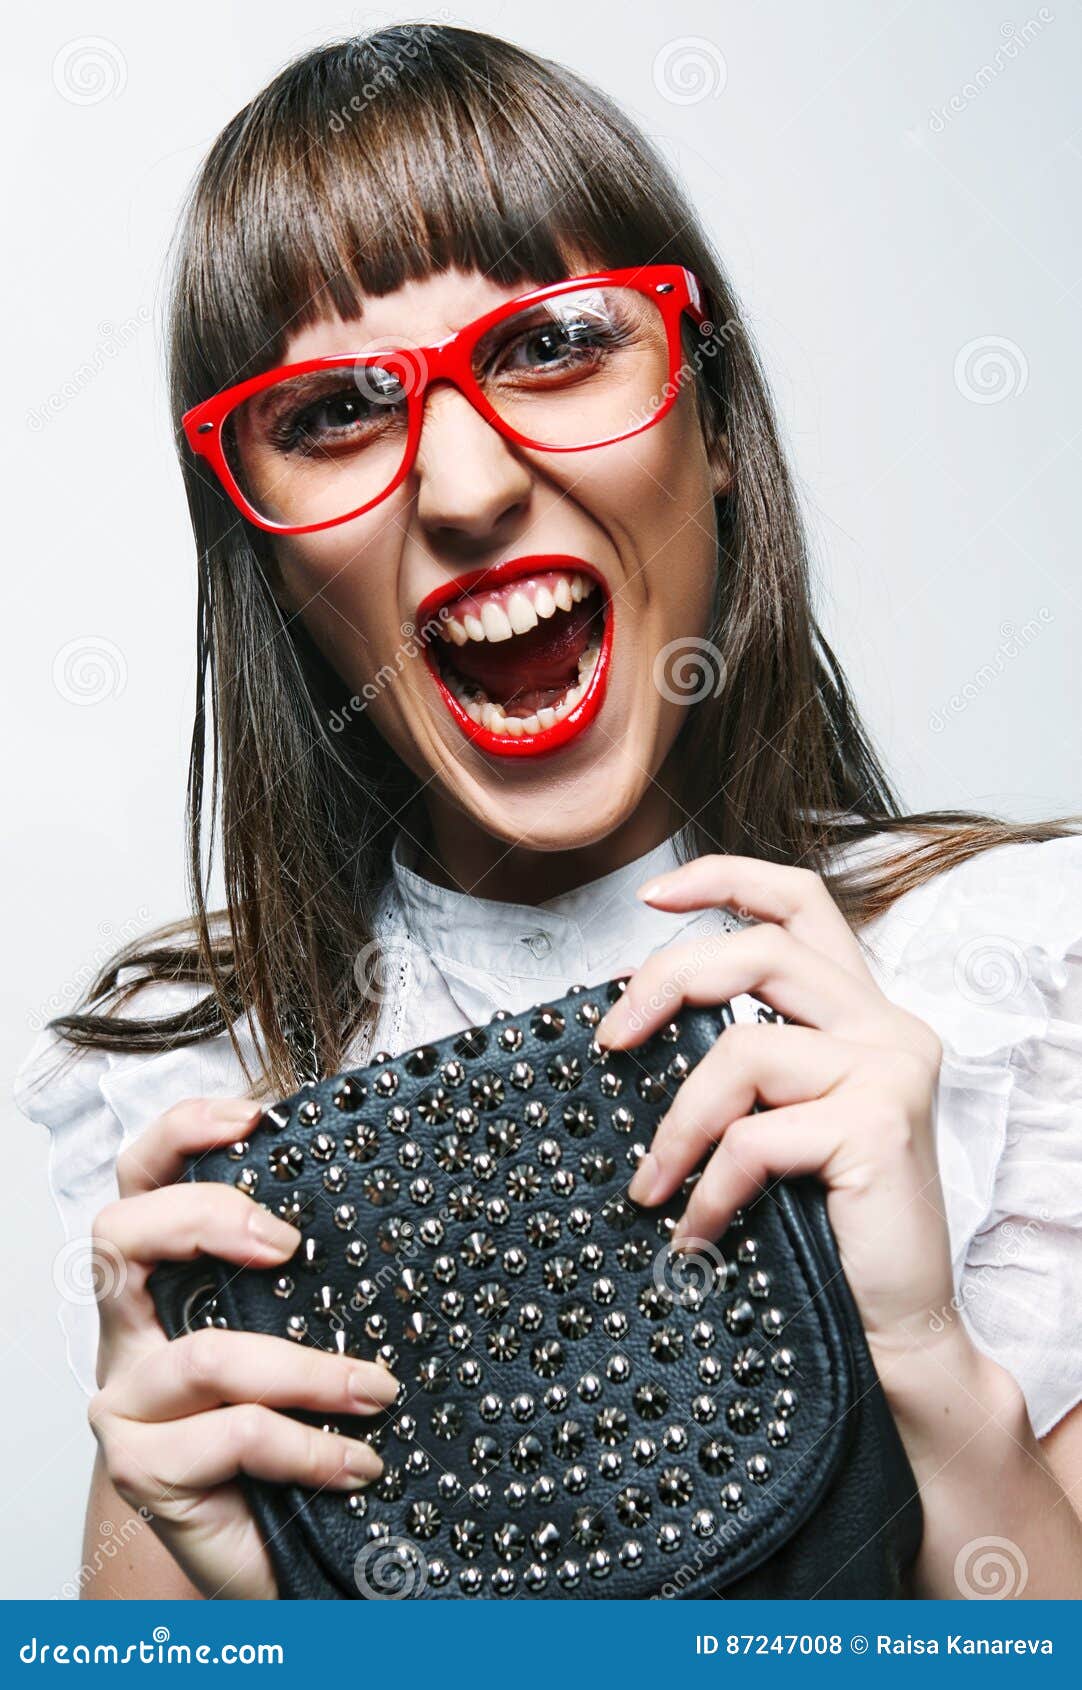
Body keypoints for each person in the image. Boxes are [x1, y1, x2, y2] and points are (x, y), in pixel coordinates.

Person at [14, 24, 1082, 1601]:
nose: (460, 486)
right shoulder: (192, 1082)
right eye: (331, 413)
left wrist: (921, 1354)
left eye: (553, 341)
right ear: (261, 549)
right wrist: (214, 1579)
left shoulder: (1019, 978)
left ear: (710, 425)